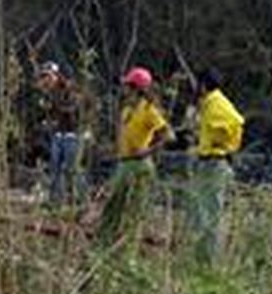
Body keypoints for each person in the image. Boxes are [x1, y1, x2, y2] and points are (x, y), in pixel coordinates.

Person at [96, 66, 174, 249]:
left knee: (135, 210)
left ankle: (128, 251)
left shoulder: (149, 110)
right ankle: (104, 244)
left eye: (127, 85)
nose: (123, 89)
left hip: (139, 165)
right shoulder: (126, 110)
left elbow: (168, 135)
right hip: (124, 164)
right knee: (113, 205)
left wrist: (148, 151)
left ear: (135, 88)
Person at [188, 68, 244, 264]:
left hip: (214, 162)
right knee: (203, 212)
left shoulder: (216, 102)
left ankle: (210, 263)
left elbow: (236, 122)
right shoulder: (209, 103)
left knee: (210, 215)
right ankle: (202, 260)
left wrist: (221, 143)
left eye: (197, 83)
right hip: (209, 162)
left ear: (203, 85)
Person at [35, 61, 93, 207]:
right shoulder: (50, 93)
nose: (44, 80)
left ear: (55, 75)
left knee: (73, 169)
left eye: (47, 76)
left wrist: (55, 109)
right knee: (55, 169)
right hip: (59, 134)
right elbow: (52, 114)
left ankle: (83, 201)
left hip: (74, 135)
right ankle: (56, 202)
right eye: (43, 77)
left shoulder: (70, 90)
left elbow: (74, 110)